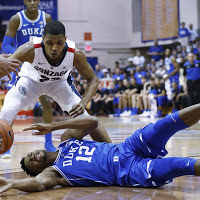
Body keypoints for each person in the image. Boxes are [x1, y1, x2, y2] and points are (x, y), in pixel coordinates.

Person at [1, 104, 200, 193]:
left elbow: (92, 122)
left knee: (164, 124)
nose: (33, 157)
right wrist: (12, 184)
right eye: (31, 162)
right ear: (38, 169)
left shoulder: (66, 140)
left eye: (29, 155)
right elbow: (38, 184)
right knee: (178, 165)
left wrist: (53, 126)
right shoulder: (54, 173)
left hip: (127, 148)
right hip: (128, 172)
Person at [0, 20, 111, 148]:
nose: (54, 48)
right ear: (42, 39)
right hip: (30, 81)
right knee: (7, 111)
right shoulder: (29, 49)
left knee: (87, 120)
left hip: (59, 83)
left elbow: (93, 79)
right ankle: (4, 150)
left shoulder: (75, 54)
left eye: (59, 43)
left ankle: (113, 154)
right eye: (49, 43)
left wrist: (83, 103)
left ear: (65, 40)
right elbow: (3, 70)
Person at [1, 0, 54, 154]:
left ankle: (49, 143)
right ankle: (5, 146)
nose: (32, 2)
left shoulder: (47, 19)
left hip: (41, 66)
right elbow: (6, 45)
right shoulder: (16, 19)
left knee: (46, 101)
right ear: (24, 1)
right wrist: (26, 52)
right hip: (22, 65)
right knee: (11, 106)